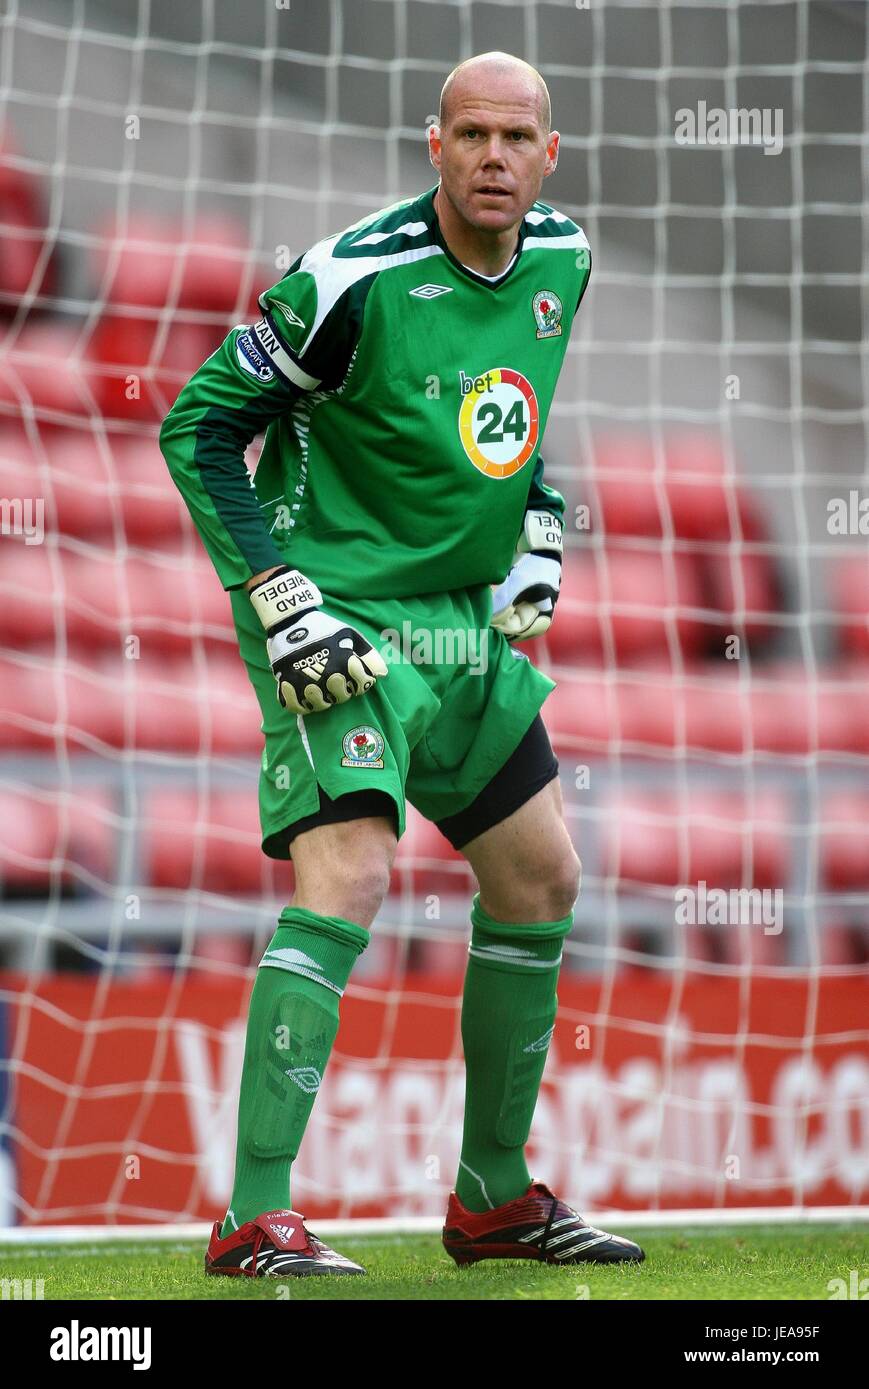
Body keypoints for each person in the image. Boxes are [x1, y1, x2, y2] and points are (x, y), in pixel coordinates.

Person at [160, 50, 644, 1276]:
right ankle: (251, 1216)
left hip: (460, 622)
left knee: (538, 876)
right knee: (351, 873)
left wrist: (537, 524)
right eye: (469, 134)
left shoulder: (563, 259)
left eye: (515, 138)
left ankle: (491, 1195)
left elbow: (502, 414)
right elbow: (198, 426)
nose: (493, 157)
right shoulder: (348, 280)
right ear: (434, 145)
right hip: (335, 616)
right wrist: (277, 597)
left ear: (550, 154)